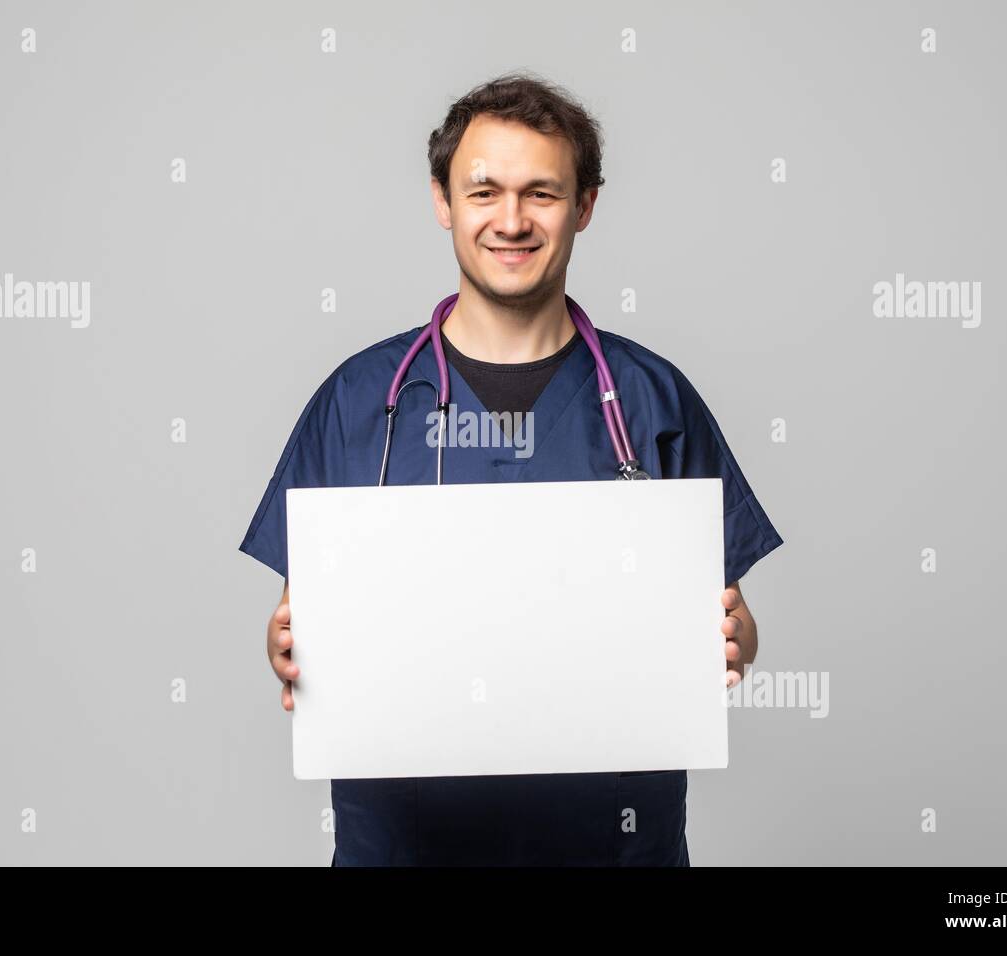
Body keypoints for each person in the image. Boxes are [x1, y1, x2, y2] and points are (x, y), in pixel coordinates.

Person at [239, 72, 784, 866]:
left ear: (586, 206)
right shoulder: (357, 403)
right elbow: (300, 621)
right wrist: (286, 645)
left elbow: (732, 624)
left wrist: (736, 638)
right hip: (405, 845)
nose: (512, 220)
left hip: (613, 844)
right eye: (484, 191)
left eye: (543, 194)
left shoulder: (653, 401)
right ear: (442, 201)